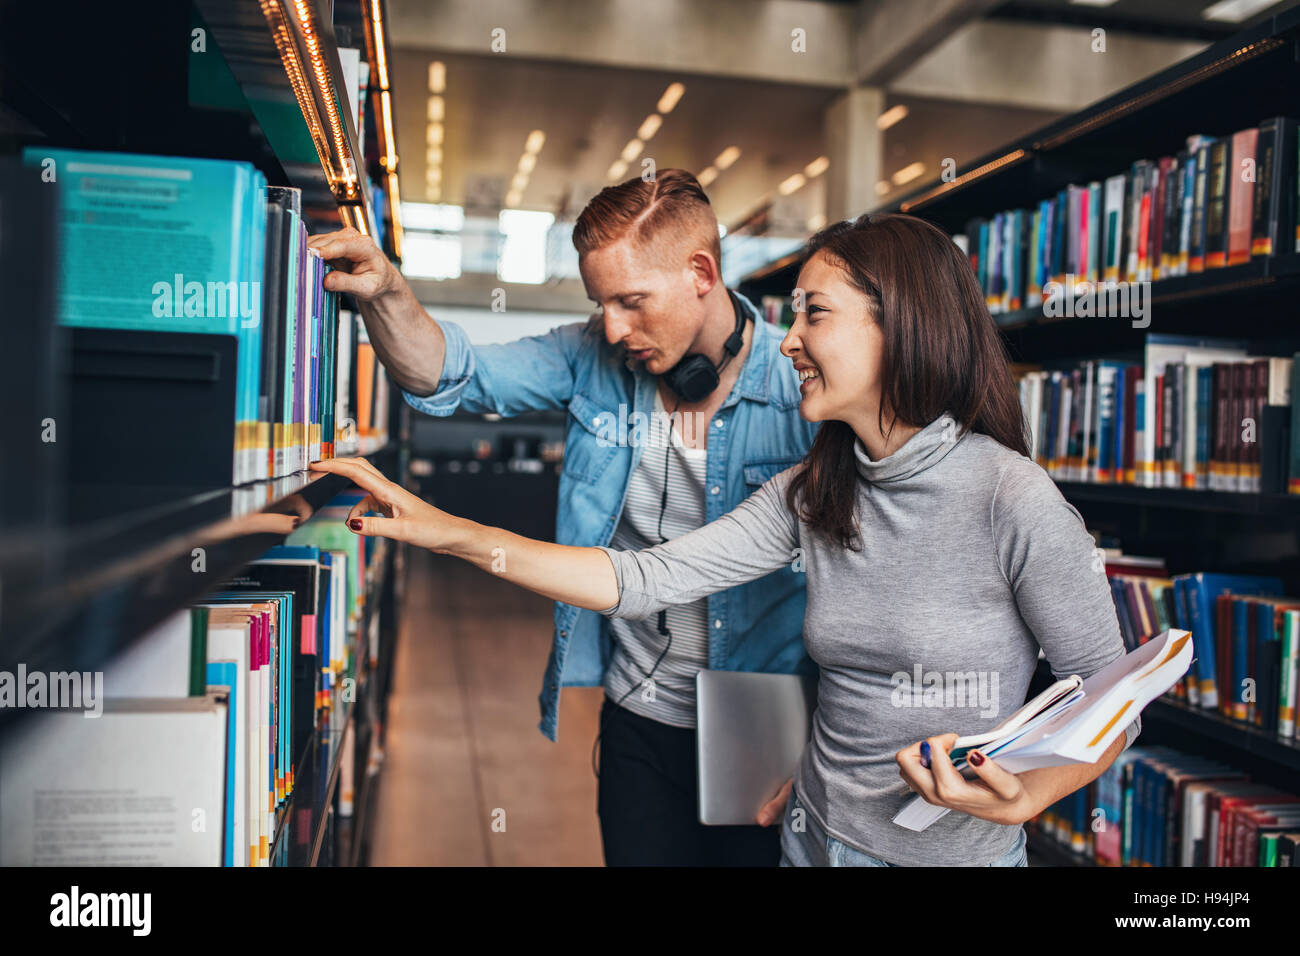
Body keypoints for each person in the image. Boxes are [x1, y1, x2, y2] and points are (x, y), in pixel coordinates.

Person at [312, 210, 1144, 867]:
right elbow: (644, 579)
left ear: (901, 327)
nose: (791, 342)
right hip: (802, 833)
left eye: (814, 315)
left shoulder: (1009, 496)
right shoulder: (817, 487)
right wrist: (447, 531)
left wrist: (1033, 794)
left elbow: (1110, 700)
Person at [308, 170, 818, 866]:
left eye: (632, 301)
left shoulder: (804, 392)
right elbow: (445, 376)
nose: (613, 327)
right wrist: (391, 294)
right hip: (637, 718)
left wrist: (831, 753)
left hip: (769, 731)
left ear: (702, 272)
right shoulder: (591, 356)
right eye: (600, 302)